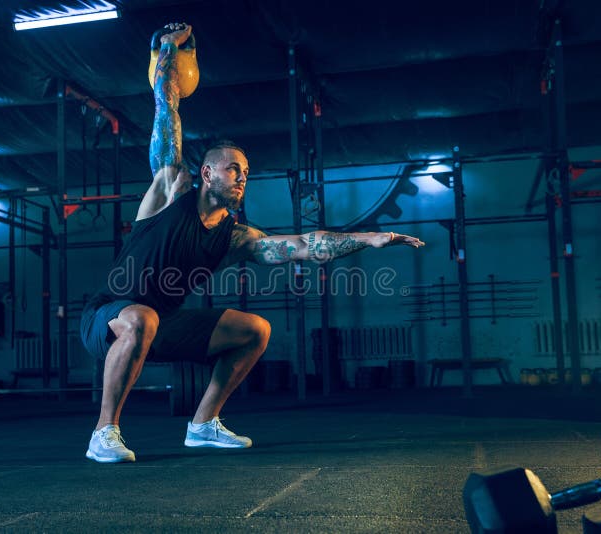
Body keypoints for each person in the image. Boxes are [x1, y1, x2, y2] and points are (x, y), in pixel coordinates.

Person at [80, 22, 425, 463]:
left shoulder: (237, 236)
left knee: (255, 330)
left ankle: (203, 424)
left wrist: (370, 239)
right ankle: (103, 432)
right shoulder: (170, 190)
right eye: (231, 169)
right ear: (207, 173)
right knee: (141, 317)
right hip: (107, 318)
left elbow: (303, 245)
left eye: (245, 172)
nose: (241, 176)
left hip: (159, 322)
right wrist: (167, 53)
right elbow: (167, 112)